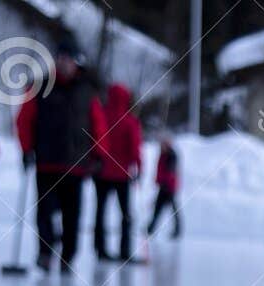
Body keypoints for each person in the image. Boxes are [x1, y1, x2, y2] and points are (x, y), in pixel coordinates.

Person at [17, 38, 106, 273]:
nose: (63, 63)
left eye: (67, 58)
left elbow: (98, 124)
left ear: (75, 61)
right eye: (60, 58)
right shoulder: (39, 87)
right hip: (46, 161)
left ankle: (68, 255)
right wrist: (26, 149)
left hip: (75, 164)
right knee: (44, 211)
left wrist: (99, 153)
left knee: (71, 214)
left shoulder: (87, 91)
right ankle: (45, 253)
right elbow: (24, 119)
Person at [94, 83, 142, 262]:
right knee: (126, 214)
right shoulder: (130, 120)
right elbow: (135, 148)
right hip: (122, 174)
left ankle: (100, 248)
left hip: (101, 173)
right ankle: (124, 250)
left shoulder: (101, 116)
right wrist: (138, 167)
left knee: (100, 211)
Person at [147, 137, 181, 238]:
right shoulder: (163, 154)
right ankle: (151, 228)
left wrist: (166, 183)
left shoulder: (171, 155)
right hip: (163, 185)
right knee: (158, 208)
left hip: (169, 186)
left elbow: (171, 171)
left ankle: (177, 229)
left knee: (172, 209)